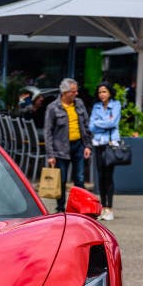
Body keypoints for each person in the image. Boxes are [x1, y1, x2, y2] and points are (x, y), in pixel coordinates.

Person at [44, 78, 92, 213]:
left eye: (76, 91)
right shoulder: (53, 108)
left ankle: (80, 209)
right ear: (64, 92)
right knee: (62, 180)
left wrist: (88, 145)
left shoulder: (79, 104)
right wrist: (50, 154)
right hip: (60, 148)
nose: (76, 94)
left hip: (79, 145)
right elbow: (48, 132)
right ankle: (60, 209)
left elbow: (86, 125)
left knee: (80, 179)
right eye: (73, 91)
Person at [89, 82, 122, 222]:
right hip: (98, 143)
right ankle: (102, 207)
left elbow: (113, 123)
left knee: (109, 176)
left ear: (110, 93)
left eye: (104, 91)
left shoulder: (116, 105)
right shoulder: (96, 107)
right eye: (100, 92)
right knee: (101, 176)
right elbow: (91, 126)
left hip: (110, 144)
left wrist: (99, 122)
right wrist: (103, 123)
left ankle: (110, 207)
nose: (102, 94)